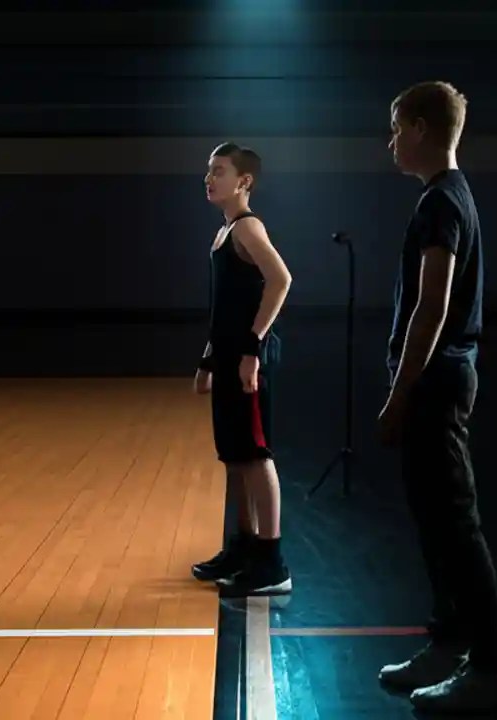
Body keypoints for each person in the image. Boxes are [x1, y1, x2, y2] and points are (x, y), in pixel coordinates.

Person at [375, 81, 497, 713]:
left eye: (395, 128)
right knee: (437, 524)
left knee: (456, 527)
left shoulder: (441, 204)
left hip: (436, 384)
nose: (389, 142)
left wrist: (399, 394)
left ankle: (495, 668)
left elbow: (432, 309)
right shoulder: (446, 198)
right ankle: (449, 643)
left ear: (420, 128)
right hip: (438, 382)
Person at [190, 142, 293, 598]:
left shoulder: (248, 228)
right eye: (208, 171)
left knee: (256, 454)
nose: (209, 178)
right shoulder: (223, 233)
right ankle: (244, 545)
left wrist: (252, 348)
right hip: (229, 358)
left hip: (249, 362)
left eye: (219, 171)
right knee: (235, 457)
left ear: (243, 182)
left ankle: (272, 562)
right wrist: (208, 361)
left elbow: (281, 280)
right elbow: (225, 309)